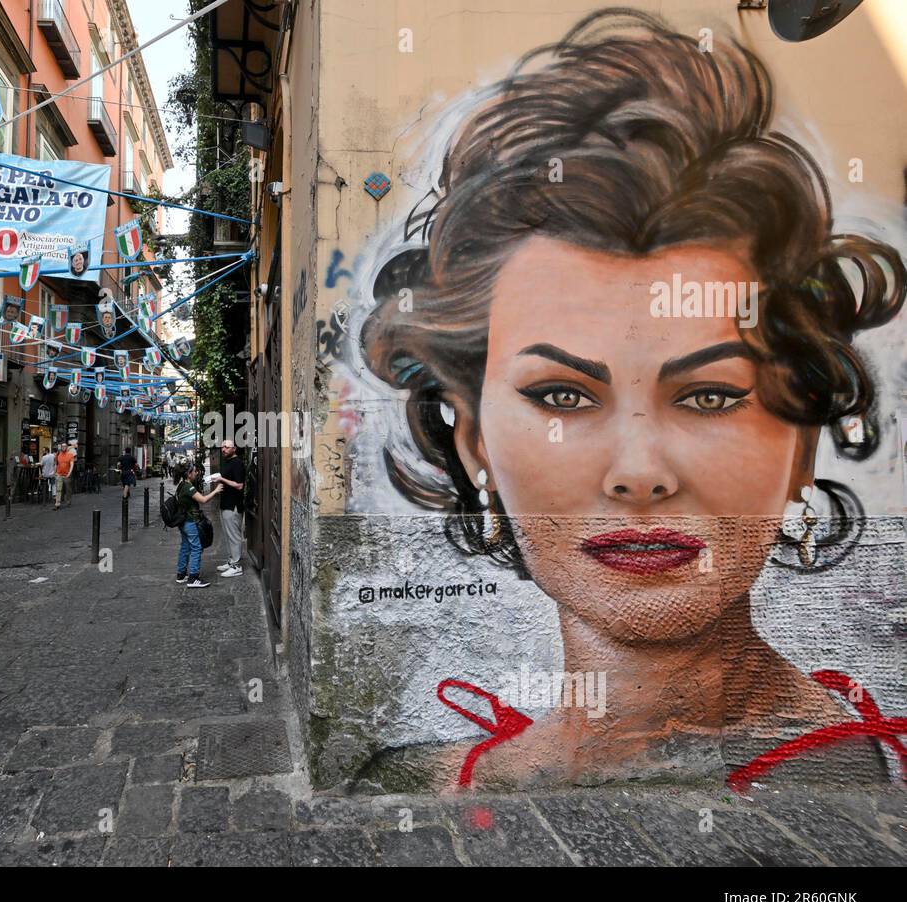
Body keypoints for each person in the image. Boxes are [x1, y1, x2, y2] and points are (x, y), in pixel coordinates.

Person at [356, 9, 906, 791]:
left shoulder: (852, 788)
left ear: (801, 450)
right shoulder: (406, 783)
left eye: (712, 396)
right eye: (561, 394)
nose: (640, 472)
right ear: (475, 440)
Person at [174, 461, 222, 588]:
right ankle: (193, 577)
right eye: (194, 471)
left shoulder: (181, 485)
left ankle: (181, 574)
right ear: (189, 474)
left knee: (185, 547)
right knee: (196, 547)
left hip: (183, 522)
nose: (196, 472)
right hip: (190, 522)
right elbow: (203, 500)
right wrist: (216, 490)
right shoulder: (188, 487)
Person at [214, 440, 245, 577]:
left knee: (234, 536)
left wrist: (222, 479)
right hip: (225, 503)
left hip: (233, 505)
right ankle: (232, 561)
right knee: (228, 535)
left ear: (234, 449)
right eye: (222, 446)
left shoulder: (237, 463)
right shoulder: (227, 462)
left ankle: (237, 566)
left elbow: (239, 485)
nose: (223, 449)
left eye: (226, 447)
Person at [54, 440, 76, 509]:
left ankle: (68, 501)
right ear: (61, 447)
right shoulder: (58, 455)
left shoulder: (70, 455)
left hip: (67, 475)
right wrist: (55, 473)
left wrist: (69, 473)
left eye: (64, 446)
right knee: (58, 489)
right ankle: (57, 503)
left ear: (66, 447)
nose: (63, 447)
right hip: (59, 474)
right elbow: (56, 464)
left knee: (68, 490)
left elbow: (72, 464)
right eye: (62, 446)